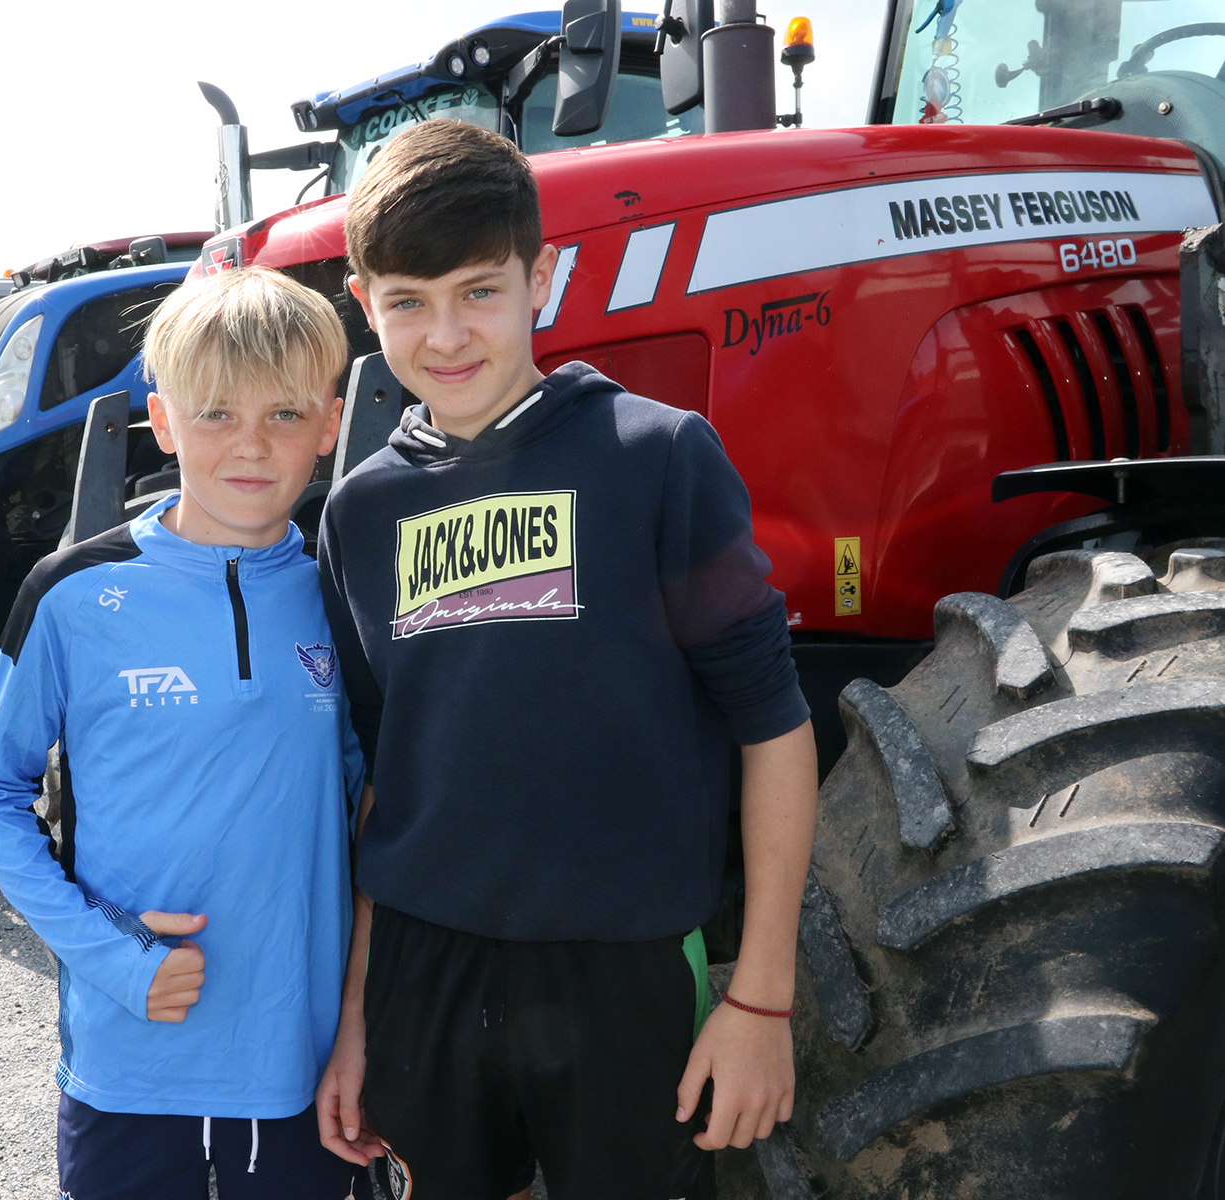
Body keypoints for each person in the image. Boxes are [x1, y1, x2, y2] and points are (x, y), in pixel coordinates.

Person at [314, 119, 819, 1200]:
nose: (445, 334)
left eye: (478, 292)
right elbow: (379, 783)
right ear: (364, 302)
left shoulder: (656, 455)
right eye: (407, 300)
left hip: (623, 965)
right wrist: (357, 1017)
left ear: (542, 275)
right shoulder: (362, 511)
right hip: (424, 967)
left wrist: (764, 997)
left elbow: (773, 726)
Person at [0, 267, 364, 1200]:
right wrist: (108, 954)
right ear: (163, 422)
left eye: (286, 417)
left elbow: (372, 805)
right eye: (215, 415)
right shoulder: (71, 594)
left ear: (330, 425)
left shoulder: (345, 594)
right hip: (134, 1059)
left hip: (301, 1067)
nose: (251, 448)